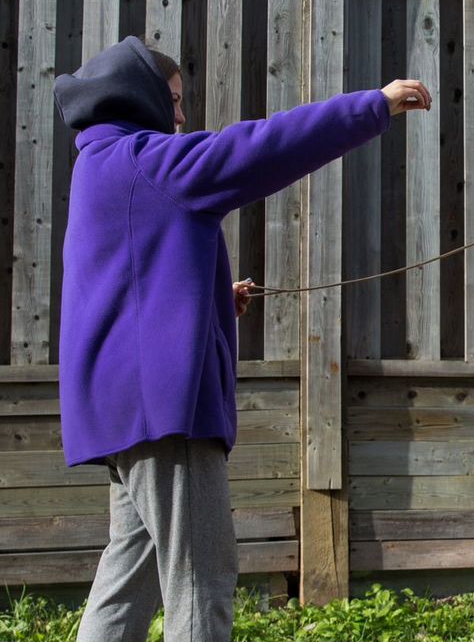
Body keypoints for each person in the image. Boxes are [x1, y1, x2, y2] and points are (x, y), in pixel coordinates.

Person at [53, 35, 431, 642]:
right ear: (137, 97)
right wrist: (372, 106)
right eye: (172, 101)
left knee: (128, 580)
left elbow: (124, 286)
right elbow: (257, 148)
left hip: (122, 416)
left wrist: (214, 301)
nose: (180, 117)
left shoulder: (99, 167)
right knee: (203, 582)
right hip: (164, 415)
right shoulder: (148, 161)